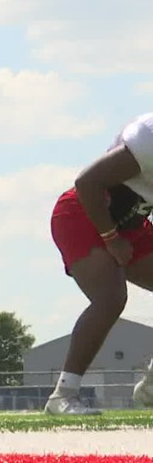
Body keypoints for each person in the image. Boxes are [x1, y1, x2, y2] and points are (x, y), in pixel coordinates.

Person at [50, 113, 153, 415]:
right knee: (110, 298)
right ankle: (62, 395)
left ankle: (151, 388)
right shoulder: (149, 138)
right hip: (82, 213)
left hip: (131, 224)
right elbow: (86, 182)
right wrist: (110, 237)